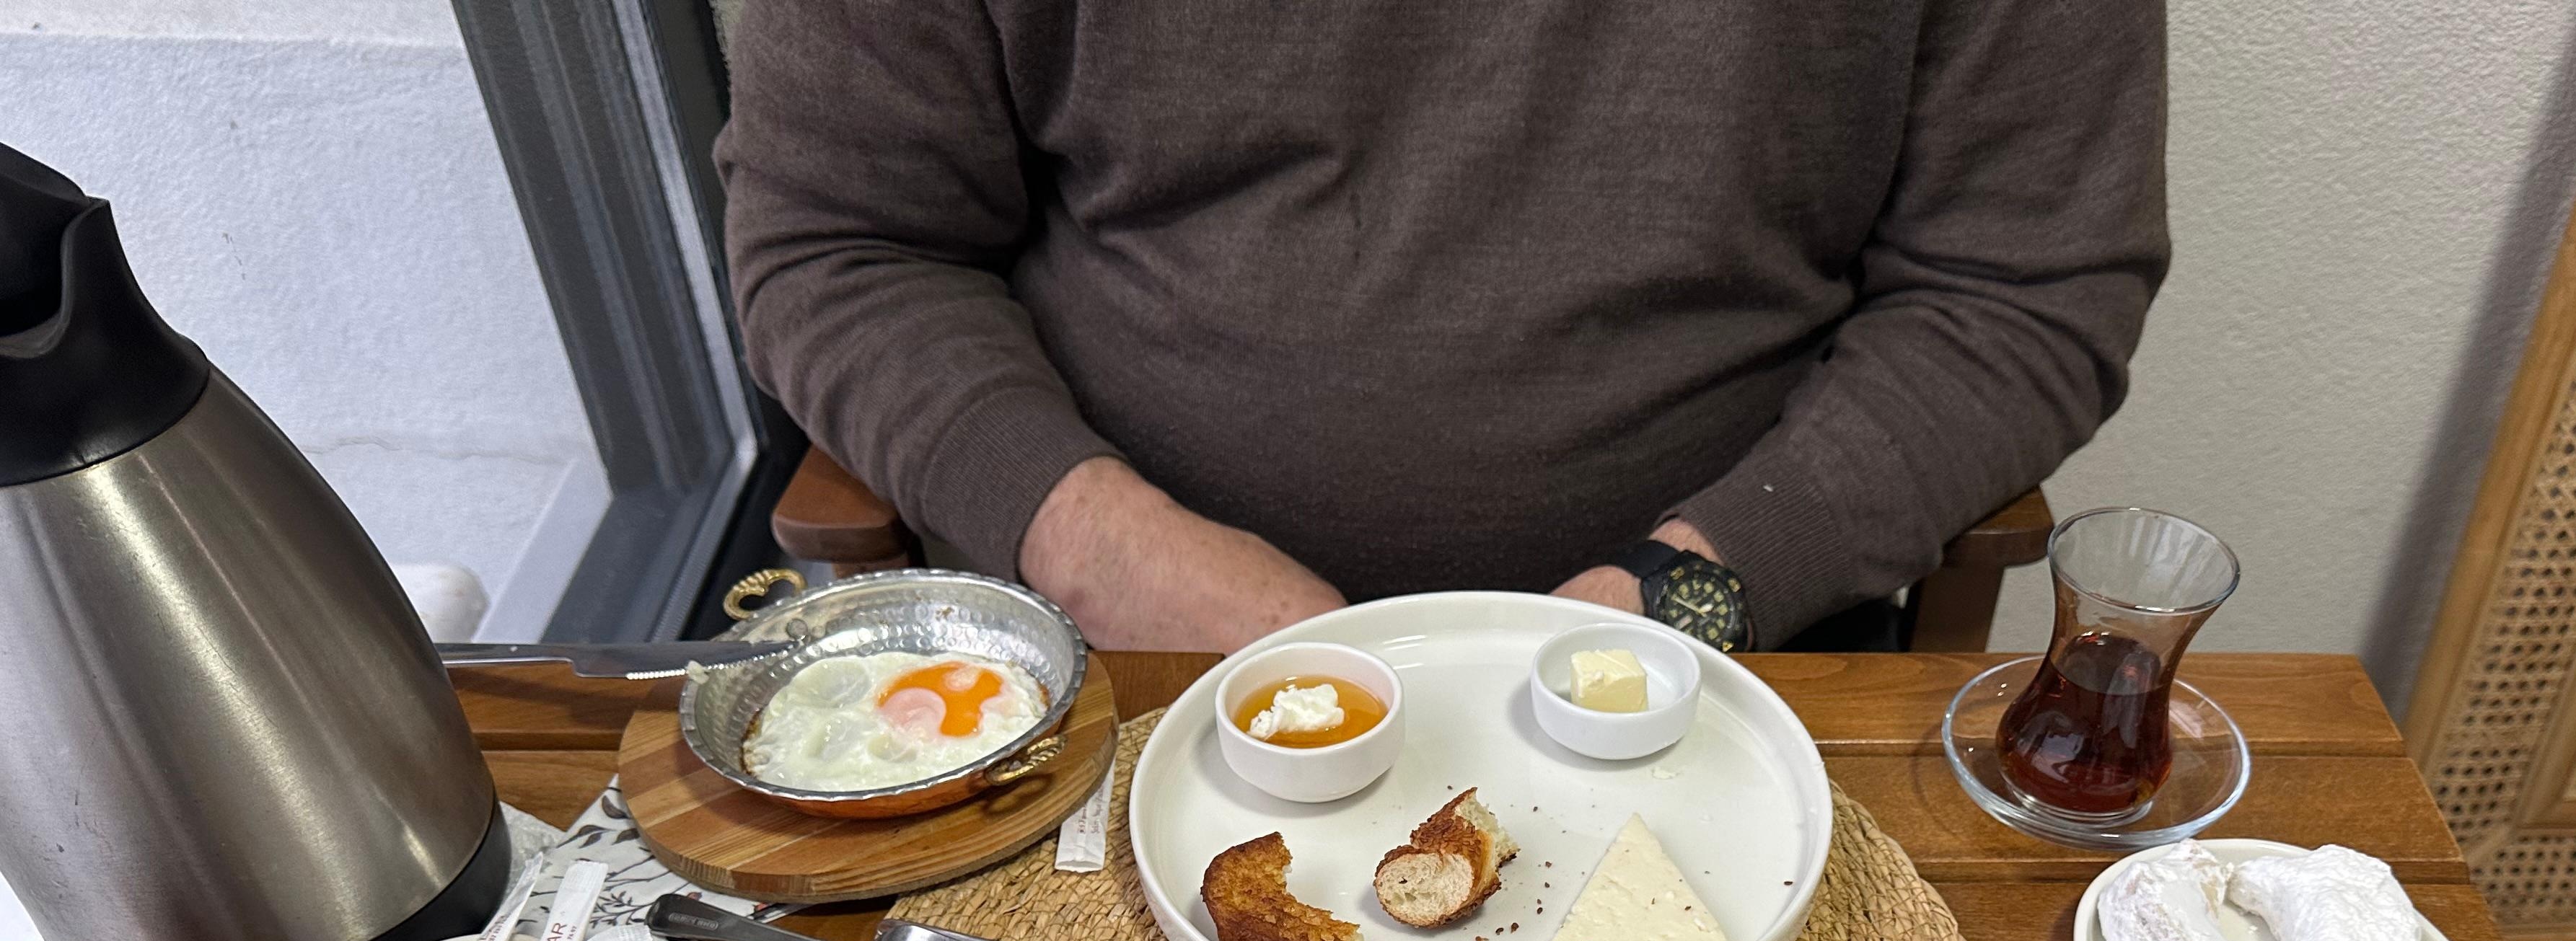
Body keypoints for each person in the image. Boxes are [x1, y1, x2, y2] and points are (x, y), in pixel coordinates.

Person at [717, 4, 2166, 653]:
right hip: (1122, 661)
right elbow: (843, 241)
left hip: (1721, 658)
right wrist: (1106, 557)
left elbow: (2024, 283)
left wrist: (1688, 601)